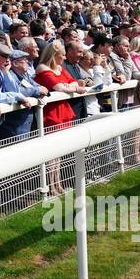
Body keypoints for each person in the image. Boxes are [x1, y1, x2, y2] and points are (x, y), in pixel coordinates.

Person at [34, 41, 85, 194]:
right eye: (61, 55)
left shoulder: (58, 68)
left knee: (60, 152)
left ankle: (58, 183)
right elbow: (60, 87)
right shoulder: (43, 69)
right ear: (53, 56)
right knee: (52, 153)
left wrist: (71, 86)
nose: (64, 58)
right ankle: (50, 185)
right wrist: (73, 87)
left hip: (62, 111)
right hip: (51, 113)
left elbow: (73, 81)